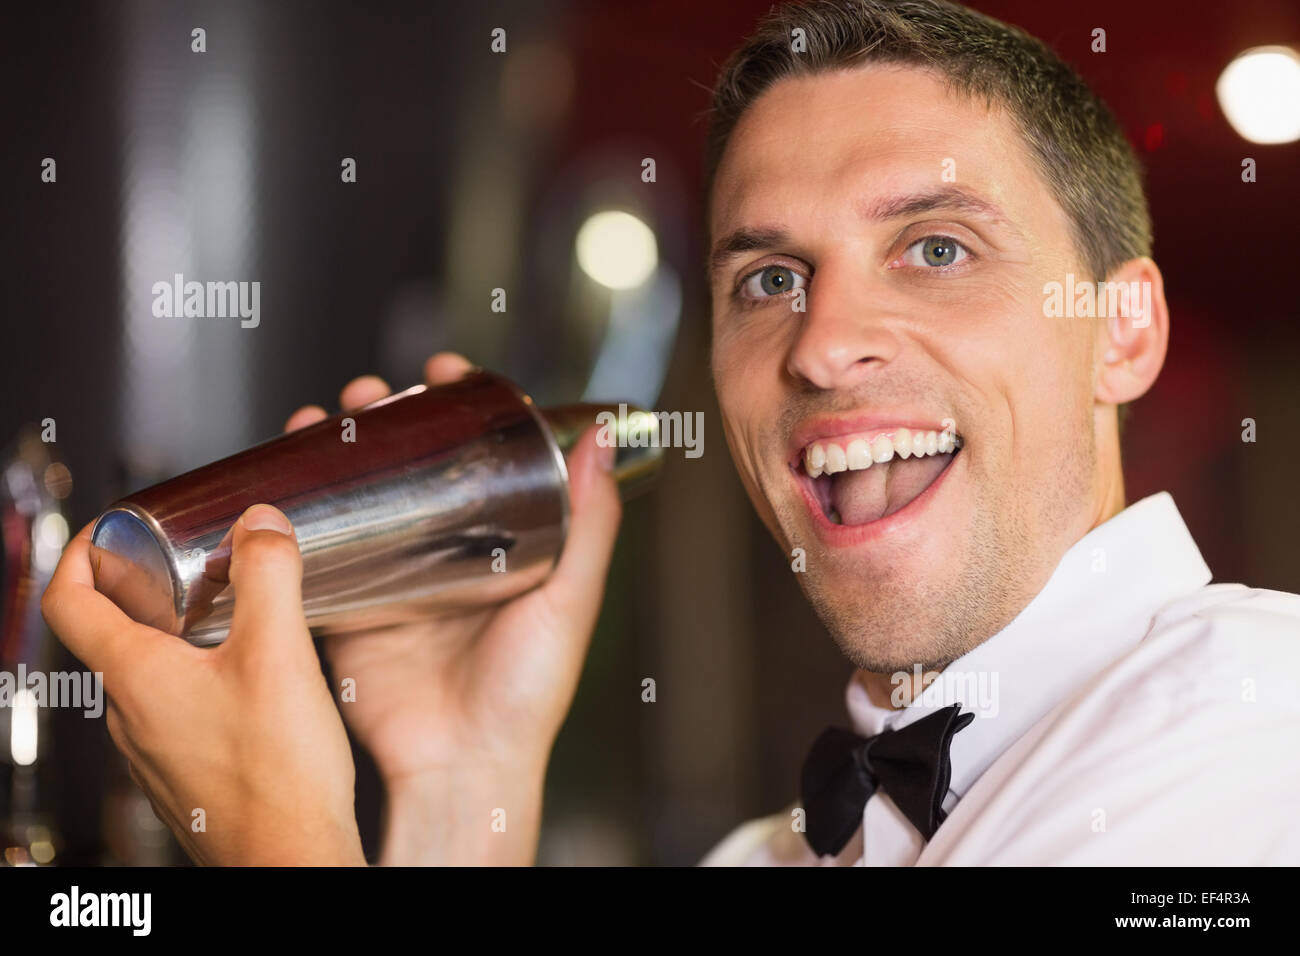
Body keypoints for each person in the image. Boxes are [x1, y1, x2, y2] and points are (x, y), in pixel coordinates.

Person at [42, 0, 1300, 866]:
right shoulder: (763, 855)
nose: (819, 342)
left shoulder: (1257, 717)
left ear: (1122, 331)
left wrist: (275, 839)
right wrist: (458, 784)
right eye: (768, 278)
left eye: (933, 248)